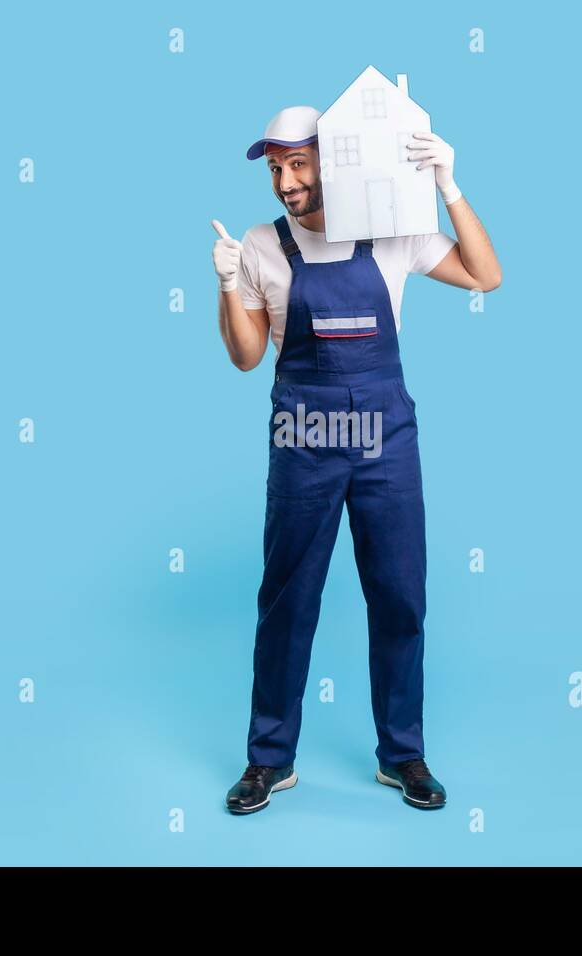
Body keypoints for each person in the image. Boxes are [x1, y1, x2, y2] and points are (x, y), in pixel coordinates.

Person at [211, 104, 501, 814]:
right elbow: (247, 358)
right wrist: (226, 284)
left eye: (298, 163)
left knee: (400, 595)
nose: (285, 180)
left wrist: (448, 185)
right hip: (302, 443)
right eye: (276, 167)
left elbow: (484, 275)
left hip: (385, 443)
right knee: (287, 601)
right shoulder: (259, 244)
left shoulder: (392, 231)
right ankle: (268, 760)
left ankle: (403, 754)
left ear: (333, 158)